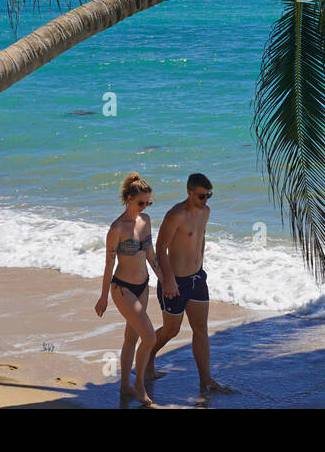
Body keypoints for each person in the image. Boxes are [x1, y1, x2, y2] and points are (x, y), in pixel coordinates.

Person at [148, 172, 234, 395]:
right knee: (171, 330)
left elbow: (200, 239)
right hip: (174, 282)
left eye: (208, 196)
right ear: (189, 193)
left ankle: (206, 380)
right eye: (201, 196)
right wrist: (168, 280)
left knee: (201, 329)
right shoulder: (176, 215)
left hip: (197, 279)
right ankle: (146, 359)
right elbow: (160, 249)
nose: (205, 200)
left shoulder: (205, 212)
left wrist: (200, 266)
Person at [94, 172, 159, 405]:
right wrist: (103, 298)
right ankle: (139, 386)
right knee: (149, 337)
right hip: (122, 288)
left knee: (131, 337)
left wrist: (164, 279)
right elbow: (108, 264)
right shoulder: (117, 228)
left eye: (148, 202)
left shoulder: (146, 221)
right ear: (129, 198)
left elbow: (150, 254)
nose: (144, 206)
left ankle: (124, 386)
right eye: (141, 202)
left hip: (143, 285)